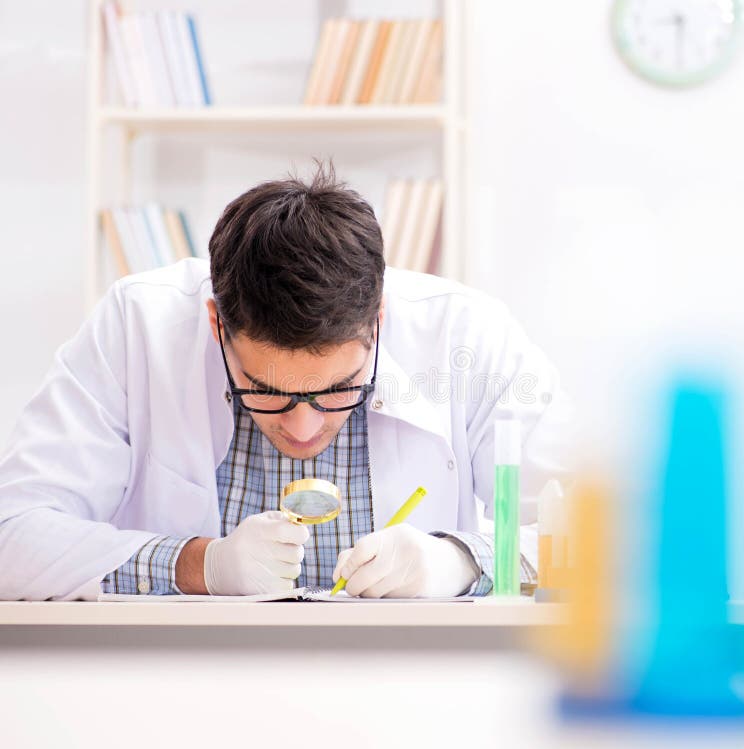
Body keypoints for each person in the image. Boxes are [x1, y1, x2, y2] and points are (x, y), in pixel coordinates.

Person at [0, 165, 574, 601]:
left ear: (378, 321)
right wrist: (200, 564)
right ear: (215, 323)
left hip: (408, 680)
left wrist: (461, 562)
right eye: (266, 391)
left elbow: (600, 534)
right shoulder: (137, 326)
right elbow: (13, 535)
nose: (303, 427)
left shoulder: (467, 335)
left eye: (339, 389)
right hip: (180, 678)